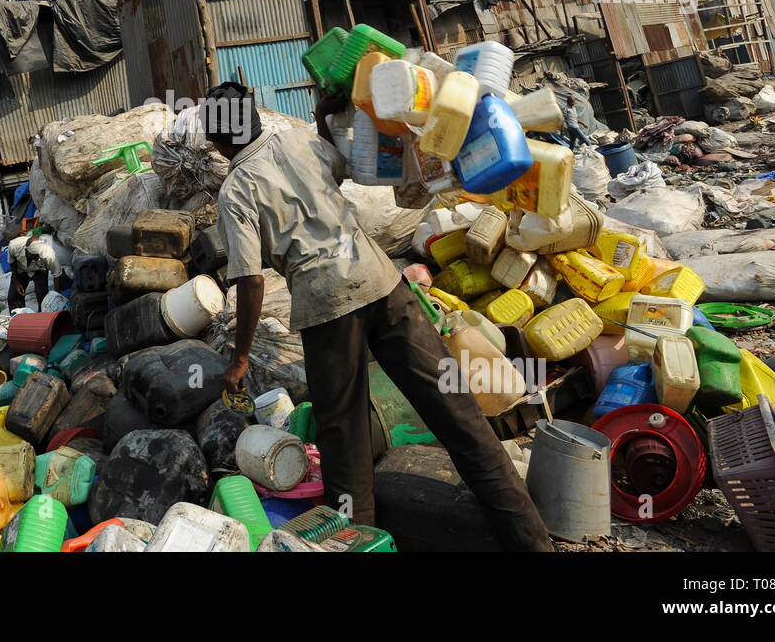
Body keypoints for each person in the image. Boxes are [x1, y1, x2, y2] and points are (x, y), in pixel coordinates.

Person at [201, 81, 552, 551]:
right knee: (459, 415)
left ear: (220, 142)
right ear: (257, 120)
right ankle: (533, 542)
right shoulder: (301, 139)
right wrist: (325, 117)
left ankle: (361, 543)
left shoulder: (237, 189)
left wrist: (240, 357)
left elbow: (251, 280)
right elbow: (341, 164)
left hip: (327, 309)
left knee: (345, 444)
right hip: (384, 284)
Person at [6, 230, 65, 311]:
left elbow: (57, 274)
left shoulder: (48, 253)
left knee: (42, 296)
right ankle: (18, 318)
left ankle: (42, 317)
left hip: (40, 271)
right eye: (35, 256)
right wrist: (16, 282)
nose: (38, 257)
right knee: (14, 297)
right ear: (27, 251)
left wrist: (56, 297)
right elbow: (12, 263)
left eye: (39, 255)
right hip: (21, 271)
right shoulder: (14, 246)